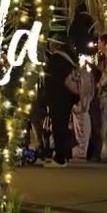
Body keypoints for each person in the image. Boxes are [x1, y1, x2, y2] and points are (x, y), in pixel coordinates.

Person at [45, 36, 79, 167]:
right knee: (64, 126)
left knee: (59, 126)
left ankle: (60, 158)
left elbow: (55, 80)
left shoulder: (56, 59)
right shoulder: (69, 59)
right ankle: (65, 154)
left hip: (58, 98)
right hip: (67, 98)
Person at [67, 58, 96, 160]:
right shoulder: (84, 74)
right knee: (79, 129)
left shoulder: (81, 75)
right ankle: (82, 149)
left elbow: (84, 90)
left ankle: (82, 150)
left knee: (82, 129)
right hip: (81, 105)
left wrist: (83, 104)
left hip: (81, 105)